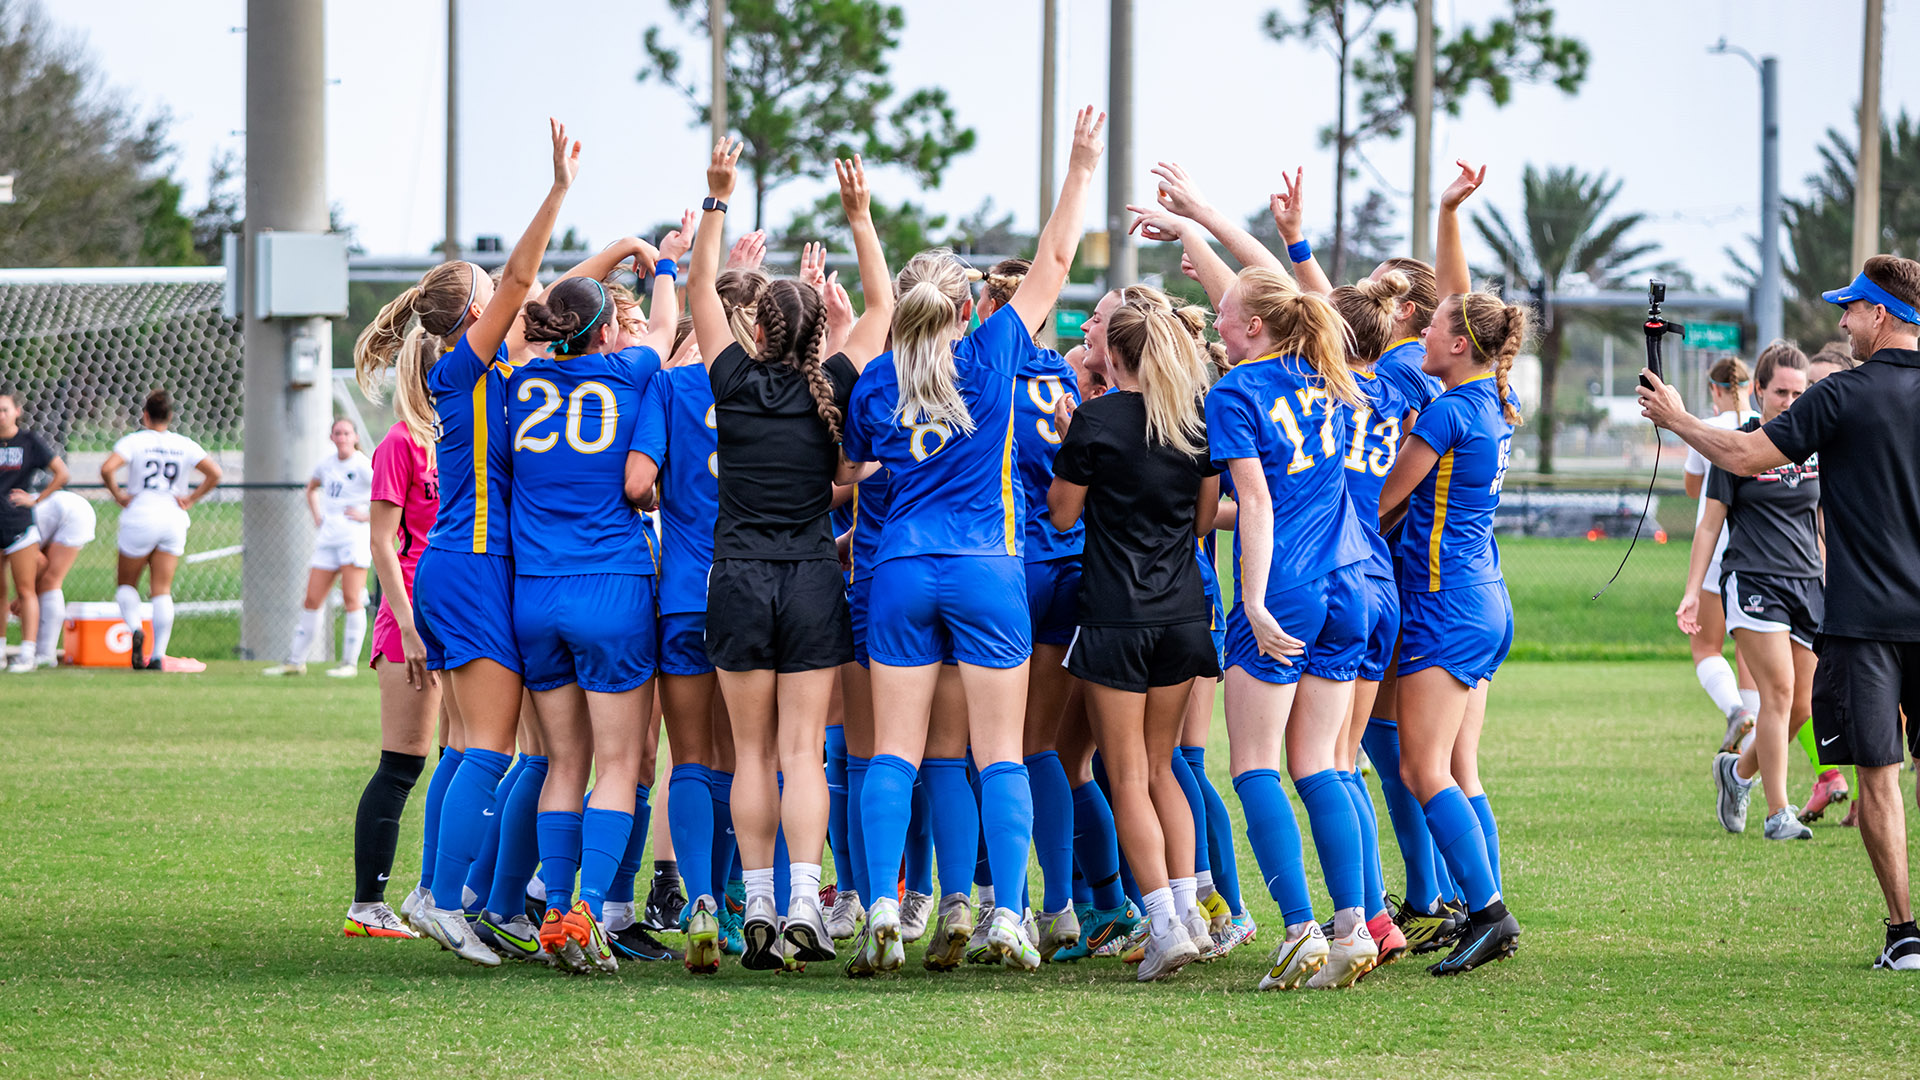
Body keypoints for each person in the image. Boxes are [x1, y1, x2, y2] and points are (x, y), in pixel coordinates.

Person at [842, 106, 1105, 978]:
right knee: (999, 755)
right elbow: (1054, 262)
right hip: (988, 567)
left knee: (896, 753)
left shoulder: (876, 379)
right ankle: (1008, 918)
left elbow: (850, 471)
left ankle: (885, 909)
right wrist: (1079, 167)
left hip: (899, 569)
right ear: (966, 307)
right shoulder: (991, 356)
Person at [1639, 253, 1920, 971]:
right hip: (1854, 609)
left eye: (1851, 309)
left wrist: (1676, 418)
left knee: (1879, 777)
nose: (1843, 323)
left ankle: (1904, 934)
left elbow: (1742, 455)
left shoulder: (1844, 394)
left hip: (1863, 621)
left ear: (1880, 313)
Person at [353, 120, 579, 966]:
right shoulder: (468, 365)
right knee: (489, 743)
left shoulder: (481, 366)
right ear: (480, 314)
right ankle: (447, 902)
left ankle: (431, 891)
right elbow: (524, 278)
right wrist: (557, 191)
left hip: (462, 566)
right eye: (497, 294)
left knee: (466, 743)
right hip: (474, 566)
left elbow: (545, 295)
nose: (514, 297)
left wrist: (634, 254)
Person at [690, 144, 892, 971]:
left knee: (752, 754)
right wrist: (859, 218)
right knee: (803, 751)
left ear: (761, 328)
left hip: (738, 578)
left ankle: (762, 905)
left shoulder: (731, 379)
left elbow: (699, 289)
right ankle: (807, 899)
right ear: (817, 331)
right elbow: (881, 303)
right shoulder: (834, 384)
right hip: (811, 578)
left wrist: (717, 200)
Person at [507, 230, 681, 974]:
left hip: (535, 594)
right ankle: (586, 912)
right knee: (617, 763)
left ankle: (552, 912)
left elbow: (532, 312)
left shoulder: (519, 375)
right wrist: (661, 262)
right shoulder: (631, 368)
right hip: (611, 585)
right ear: (609, 330)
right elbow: (666, 324)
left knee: (562, 761)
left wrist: (614, 250)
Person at [1374, 162, 1524, 977]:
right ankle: (1475, 908)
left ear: (1458, 346)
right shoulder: (1490, 396)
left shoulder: (1445, 412)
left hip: (1445, 602)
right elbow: (1465, 302)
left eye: (1430, 328)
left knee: (1422, 766)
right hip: (1483, 596)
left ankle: (1490, 914)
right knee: (1456, 769)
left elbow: (1383, 501)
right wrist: (1447, 213)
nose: (1420, 334)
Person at [1047, 291, 1220, 981]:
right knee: (1161, 767)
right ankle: (1189, 912)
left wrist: (1073, 444)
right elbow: (1204, 521)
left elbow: (1063, 516)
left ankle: (1163, 924)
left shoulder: (1096, 418)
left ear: (1114, 356)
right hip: (1183, 612)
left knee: (1124, 776)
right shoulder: (1195, 419)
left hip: (1117, 613)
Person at [980, 257, 1084, 959]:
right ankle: (1061, 906)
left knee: (994, 748)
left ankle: (1007, 904)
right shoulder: (1062, 377)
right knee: (1040, 746)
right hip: (1071, 560)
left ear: (993, 311)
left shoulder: (990, 374)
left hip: (1015, 565)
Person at [1681, 343, 1821, 843]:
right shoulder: (1737, 446)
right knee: (1777, 692)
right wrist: (1693, 590)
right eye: (1780, 391)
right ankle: (1778, 812)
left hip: (1808, 583)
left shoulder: (1814, 445)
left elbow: (1821, 521)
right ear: (1757, 390)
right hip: (1754, 579)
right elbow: (1708, 525)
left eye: (1799, 393)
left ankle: (1737, 773)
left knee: (1802, 705)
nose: (1789, 401)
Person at [341, 360, 441, 939]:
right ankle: (367, 904)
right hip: (411, 620)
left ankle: (439, 893)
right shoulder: (401, 443)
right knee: (403, 763)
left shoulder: (467, 432)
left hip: (461, 613)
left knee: (466, 758)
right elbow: (382, 542)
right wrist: (405, 626)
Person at [100, 389, 222, 672]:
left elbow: (107, 469)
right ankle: (158, 655)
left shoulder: (135, 441)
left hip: (141, 513)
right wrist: (191, 498)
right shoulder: (183, 444)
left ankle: (135, 629)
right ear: (170, 416)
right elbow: (215, 473)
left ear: (145, 415)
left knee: (126, 584)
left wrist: (118, 494)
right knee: (162, 590)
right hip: (172, 517)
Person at [1679, 356, 1761, 752]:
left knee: (1706, 647)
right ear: (1752, 387)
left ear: (1715, 390)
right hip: (1756, 549)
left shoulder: (1706, 429)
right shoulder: (1766, 426)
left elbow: (1693, 489)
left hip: (1714, 550)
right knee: (1752, 655)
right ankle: (1753, 755)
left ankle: (1734, 711)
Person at [264, 419, 373, 678]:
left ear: (355, 437)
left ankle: (349, 664)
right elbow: (311, 488)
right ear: (331, 437)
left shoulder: (363, 465)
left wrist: (366, 516)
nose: (342, 437)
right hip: (328, 538)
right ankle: (295, 661)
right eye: (338, 433)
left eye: (347, 433)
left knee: (352, 598)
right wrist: (317, 516)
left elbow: (387, 494)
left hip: (353, 539)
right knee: (312, 599)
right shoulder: (326, 464)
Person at [0, 391, 69, 673]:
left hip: (19, 526)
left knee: (25, 589)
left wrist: (36, 499)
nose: (0, 415)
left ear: (17, 411)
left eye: (4, 409)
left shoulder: (29, 441)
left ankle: (28, 654)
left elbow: (61, 473)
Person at [29, 488, 96, 666]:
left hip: (73, 514)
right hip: (62, 511)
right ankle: (40, 652)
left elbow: (39, 561)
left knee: (50, 581)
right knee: (40, 584)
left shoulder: (9, 523)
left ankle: (45, 655)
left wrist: (24, 595)